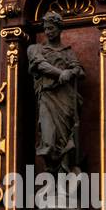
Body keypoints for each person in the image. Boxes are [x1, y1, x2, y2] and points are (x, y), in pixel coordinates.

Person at [27, 12, 83, 174]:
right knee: (48, 140)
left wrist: (72, 72)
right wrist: (61, 73)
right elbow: (40, 65)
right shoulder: (35, 48)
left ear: (59, 29)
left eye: (51, 28)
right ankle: (51, 171)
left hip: (65, 98)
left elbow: (79, 70)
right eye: (45, 28)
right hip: (47, 97)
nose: (48, 32)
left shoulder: (67, 52)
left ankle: (63, 174)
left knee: (65, 138)